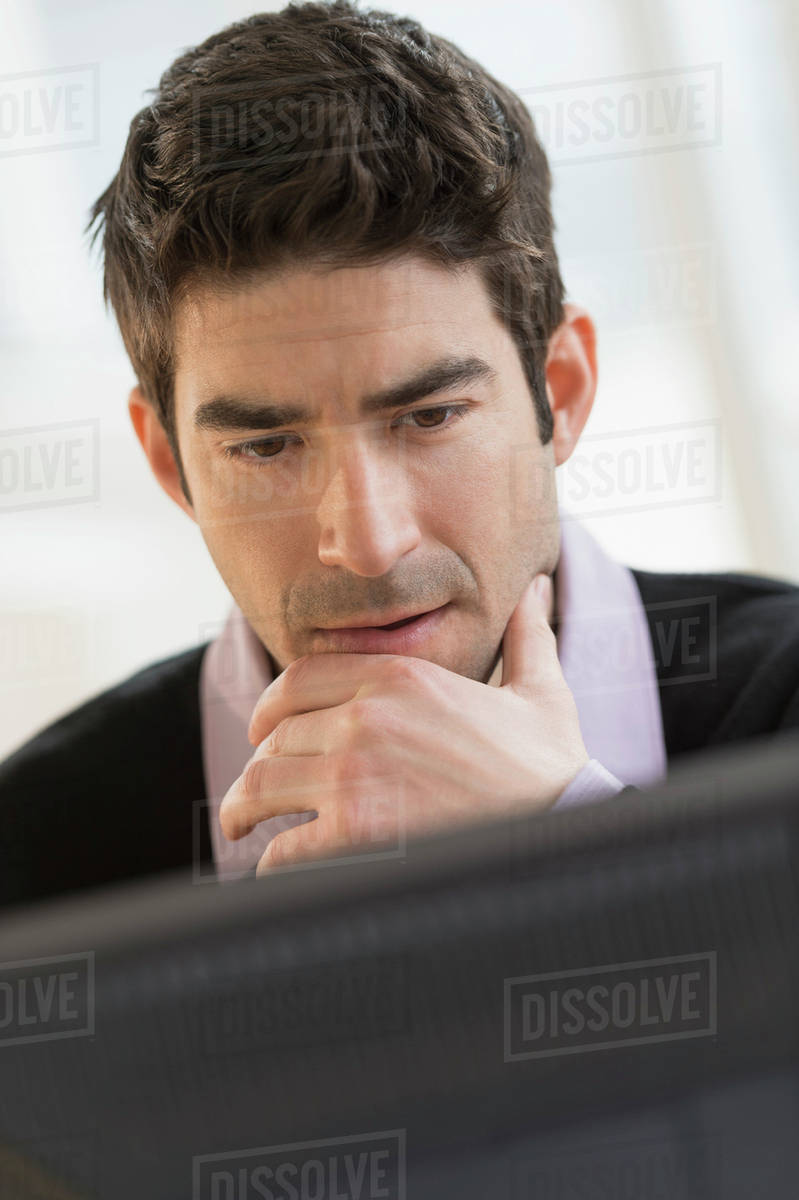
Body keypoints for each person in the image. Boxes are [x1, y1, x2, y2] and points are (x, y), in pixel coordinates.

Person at [1, 0, 798, 909]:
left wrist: (571, 834)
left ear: (561, 392)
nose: (370, 543)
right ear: (170, 462)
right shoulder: (34, 854)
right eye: (266, 445)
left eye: (427, 418)